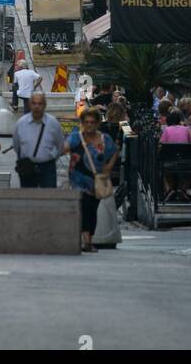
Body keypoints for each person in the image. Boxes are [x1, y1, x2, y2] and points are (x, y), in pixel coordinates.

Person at [66, 106, 119, 252]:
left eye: (92, 122)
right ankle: (85, 241)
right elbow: (63, 148)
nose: (89, 125)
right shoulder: (76, 137)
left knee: (92, 210)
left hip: (95, 181)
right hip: (78, 179)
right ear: (82, 122)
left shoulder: (104, 139)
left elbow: (115, 150)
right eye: (86, 122)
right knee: (83, 207)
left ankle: (88, 240)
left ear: (97, 123)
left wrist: (109, 166)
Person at [12, 91, 65, 188]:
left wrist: (52, 159)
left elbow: (60, 145)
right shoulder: (21, 123)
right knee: (28, 198)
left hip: (47, 168)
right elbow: (16, 145)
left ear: (44, 105)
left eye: (40, 103)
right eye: (34, 103)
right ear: (29, 104)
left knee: (49, 197)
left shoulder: (53, 123)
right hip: (27, 167)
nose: (37, 107)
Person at [159, 108, 191, 203]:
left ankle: (169, 189)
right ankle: (182, 189)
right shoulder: (187, 129)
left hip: (169, 162)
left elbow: (161, 144)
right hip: (186, 162)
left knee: (161, 168)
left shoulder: (166, 130)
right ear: (179, 120)